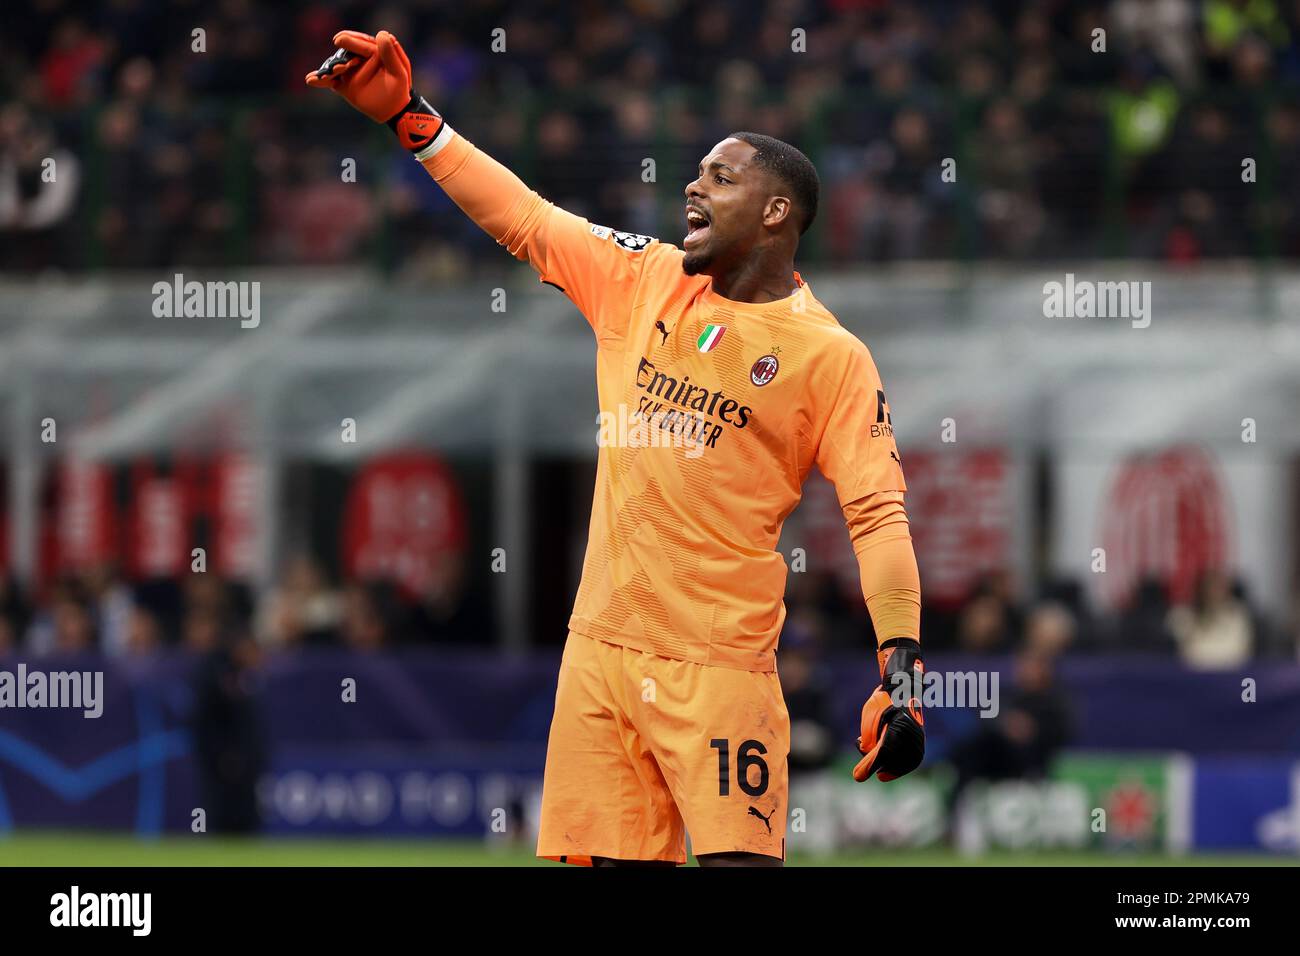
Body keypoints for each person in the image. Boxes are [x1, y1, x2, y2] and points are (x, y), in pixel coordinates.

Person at [307, 29, 925, 867]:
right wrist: (413, 121)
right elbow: (526, 218)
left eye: (720, 177)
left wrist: (904, 675)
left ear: (778, 212)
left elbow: (878, 515)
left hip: (718, 672)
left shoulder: (829, 357)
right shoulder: (641, 279)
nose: (692, 187)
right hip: (598, 655)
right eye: (697, 173)